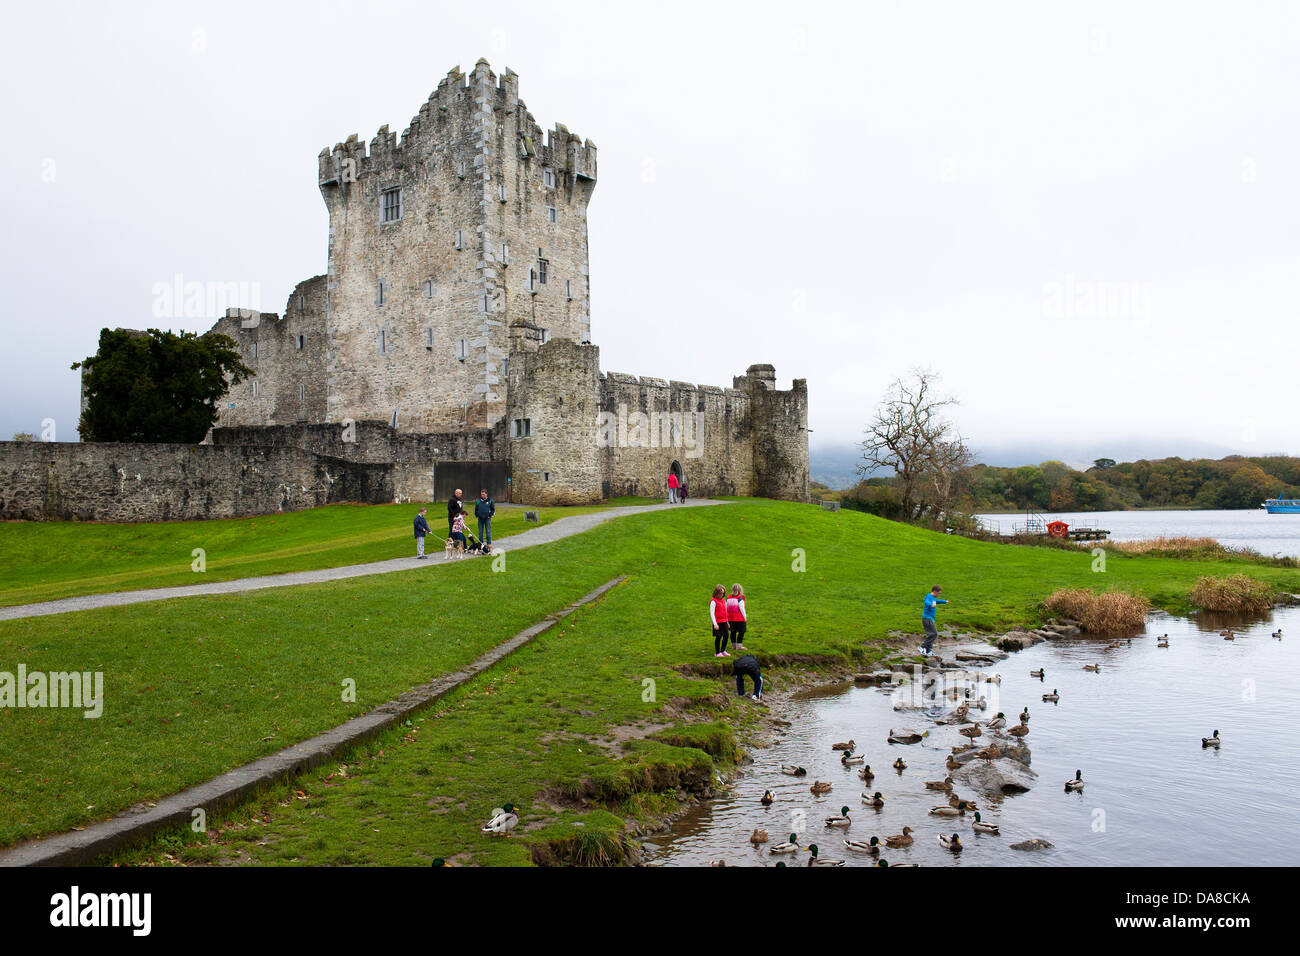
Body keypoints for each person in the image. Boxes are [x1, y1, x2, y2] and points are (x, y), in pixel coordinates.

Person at [920, 585, 948, 656]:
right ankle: (922, 646)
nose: (939, 595)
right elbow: (926, 602)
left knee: (931, 634)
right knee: (934, 634)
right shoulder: (929, 597)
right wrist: (931, 604)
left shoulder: (933, 598)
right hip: (927, 618)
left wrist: (944, 601)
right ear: (935, 591)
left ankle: (928, 651)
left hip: (930, 618)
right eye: (938, 593)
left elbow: (936, 601)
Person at [726, 583, 748, 652]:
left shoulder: (728, 598)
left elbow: (726, 607)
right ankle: (739, 646)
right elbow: (742, 608)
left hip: (730, 618)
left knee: (733, 631)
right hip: (739, 618)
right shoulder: (740, 598)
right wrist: (745, 616)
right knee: (742, 631)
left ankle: (734, 645)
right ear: (740, 590)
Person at [710, 584, 730, 658]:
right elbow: (712, 613)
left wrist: (727, 622)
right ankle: (717, 652)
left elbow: (725, 612)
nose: (721, 595)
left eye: (723, 593)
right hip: (717, 622)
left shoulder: (723, 601)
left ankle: (723, 650)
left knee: (726, 635)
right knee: (719, 636)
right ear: (716, 593)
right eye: (720, 593)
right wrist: (715, 624)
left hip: (724, 621)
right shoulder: (713, 601)